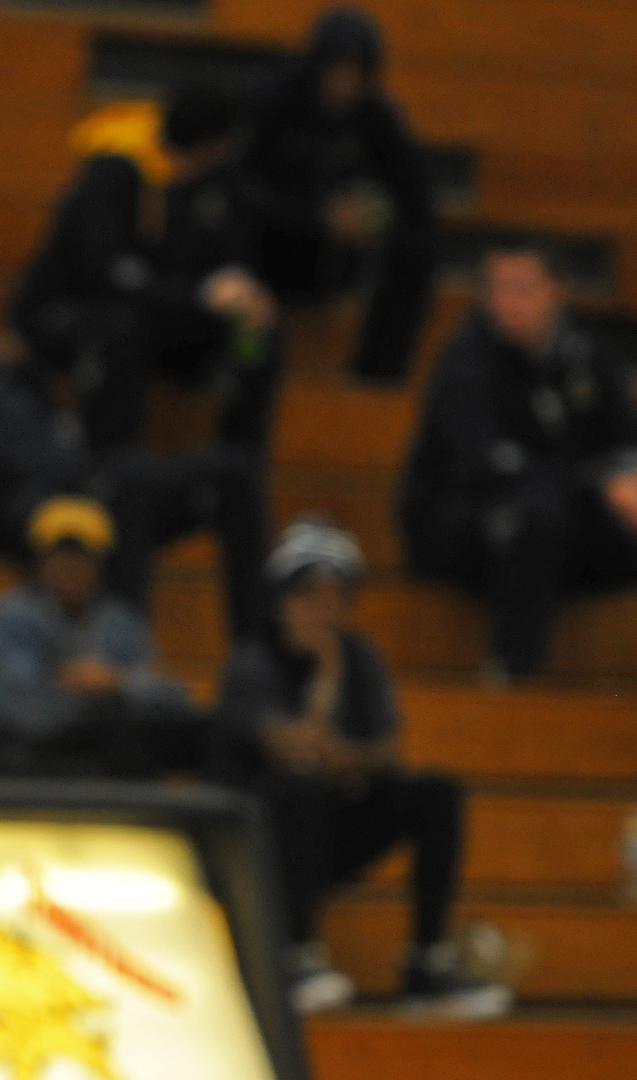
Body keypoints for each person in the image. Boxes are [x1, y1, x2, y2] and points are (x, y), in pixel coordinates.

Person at [221, 520, 511, 1019]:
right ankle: (295, 955)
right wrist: (327, 685)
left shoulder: (361, 654)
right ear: (281, 598)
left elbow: (386, 752)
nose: (323, 608)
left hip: (334, 829)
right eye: (309, 593)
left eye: (336, 595)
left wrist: (335, 754)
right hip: (264, 842)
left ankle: (426, 961)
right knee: (301, 790)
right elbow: (291, 753)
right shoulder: (252, 660)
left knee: (437, 791)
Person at [0, 239, 269, 639]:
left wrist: (25, 370)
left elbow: (61, 427)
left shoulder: (11, 375)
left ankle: (255, 656)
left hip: (91, 478)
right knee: (131, 488)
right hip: (33, 510)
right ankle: (125, 660)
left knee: (233, 474)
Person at [400, 244, 637, 680]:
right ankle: (512, 675)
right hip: (462, 525)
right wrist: (597, 485)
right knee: (536, 516)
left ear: (557, 292)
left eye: (522, 289)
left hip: (566, 523)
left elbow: (622, 438)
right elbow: (486, 465)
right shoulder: (465, 362)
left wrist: (625, 479)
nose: (507, 302)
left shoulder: (587, 354)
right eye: (498, 289)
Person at [11, 89, 281, 456]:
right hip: (69, 310)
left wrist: (239, 292)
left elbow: (208, 263)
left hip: (150, 311)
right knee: (120, 331)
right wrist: (199, 295)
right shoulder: (117, 170)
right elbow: (107, 276)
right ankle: (112, 472)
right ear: (211, 146)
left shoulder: (213, 185)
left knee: (255, 331)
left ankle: (235, 470)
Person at [242, 6, 436, 384]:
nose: (343, 87)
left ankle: (376, 381)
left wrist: (374, 220)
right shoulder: (274, 100)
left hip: (338, 255)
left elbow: (417, 202)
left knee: (417, 255)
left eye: (355, 77)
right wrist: (317, 217)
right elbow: (243, 188)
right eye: (336, 73)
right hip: (275, 242)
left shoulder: (378, 117)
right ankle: (246, 373)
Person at [0, 497, 220, 778]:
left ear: (99, 563)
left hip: (103, 762)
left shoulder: (120, 621)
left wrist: (115, 682)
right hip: (25, 763)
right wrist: (79, 691)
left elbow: (169, 696)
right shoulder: (11, 615)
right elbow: (16, 704)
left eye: (82, 556)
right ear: (40, 560)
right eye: (61, 554)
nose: (71, 566)